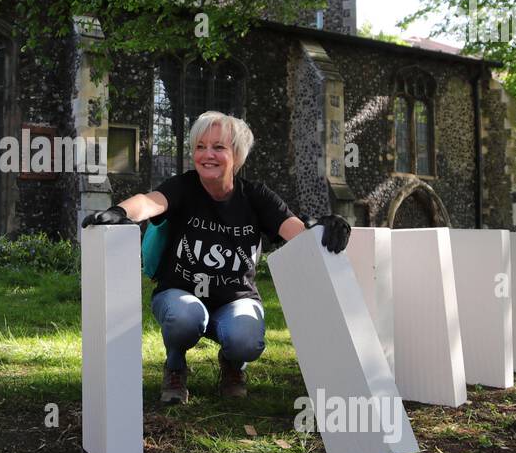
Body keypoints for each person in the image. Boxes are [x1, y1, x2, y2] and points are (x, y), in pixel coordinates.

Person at [82, 111, 350, 404]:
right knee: (185, 316)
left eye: (218, 147)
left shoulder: (256, 196)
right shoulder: (184, 186)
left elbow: (296, 232)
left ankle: (232, 364)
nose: (207, 155)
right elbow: (150, 201)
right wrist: (120, 212)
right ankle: (175, 364)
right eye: (200, 147)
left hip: (236, 298)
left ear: (237, 155)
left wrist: (325, 225)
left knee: (246, 340)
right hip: (179, 294)